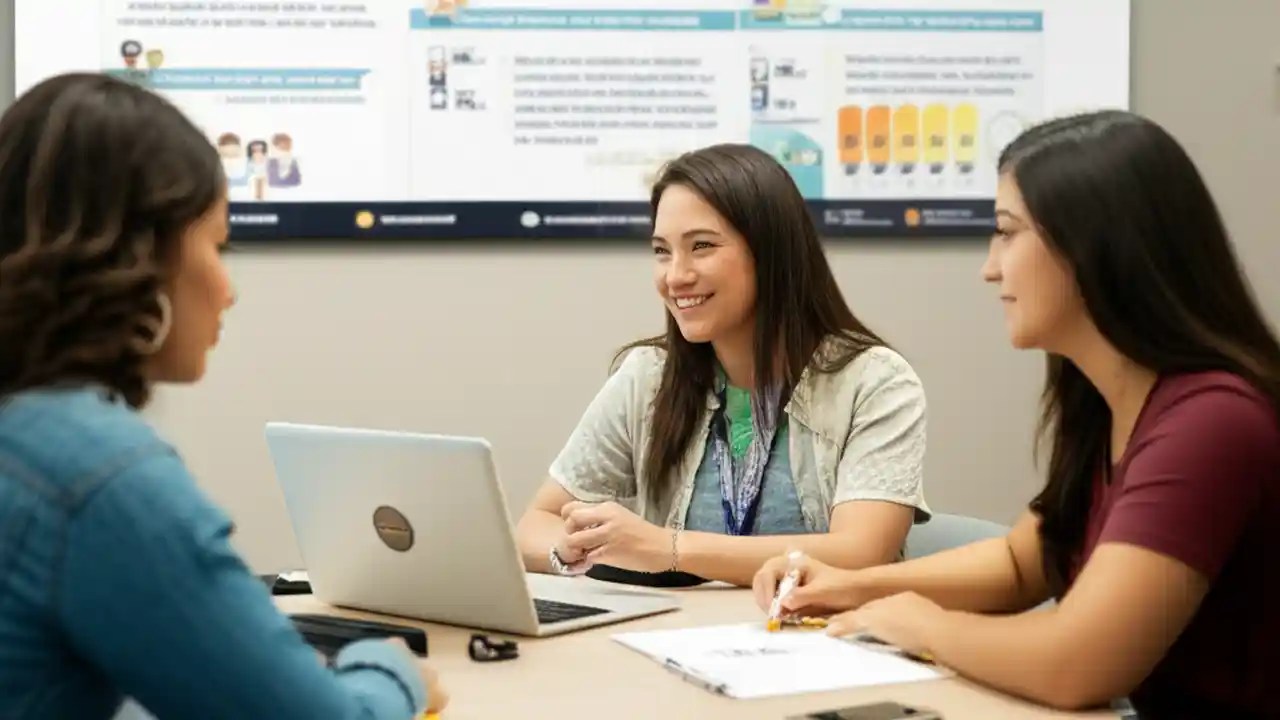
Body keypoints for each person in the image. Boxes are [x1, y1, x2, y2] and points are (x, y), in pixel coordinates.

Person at [752, 110, 1280, 717]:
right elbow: (1020, 563)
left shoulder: (1214, 423)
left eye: (1007, 232)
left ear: (1094, 247)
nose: (990, 267)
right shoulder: (1110, 404)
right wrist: (852, 587)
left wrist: (921, 625)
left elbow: (1076, 664)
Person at [0, 73, 447, 719]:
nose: (228, 289)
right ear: (137, 256)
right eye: (218, 245)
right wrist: (387, 668)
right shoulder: (102, 477)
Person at [515, 143, 930, 588]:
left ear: (770, 253)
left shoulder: (876, 383)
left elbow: (860, 553)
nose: (675, 276)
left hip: (816, 644)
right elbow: (534, 526)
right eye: (662, 251)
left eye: (702, 247)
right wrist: (571, 553)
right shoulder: (648, 376)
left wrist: (668, 549)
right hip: (669, 641)